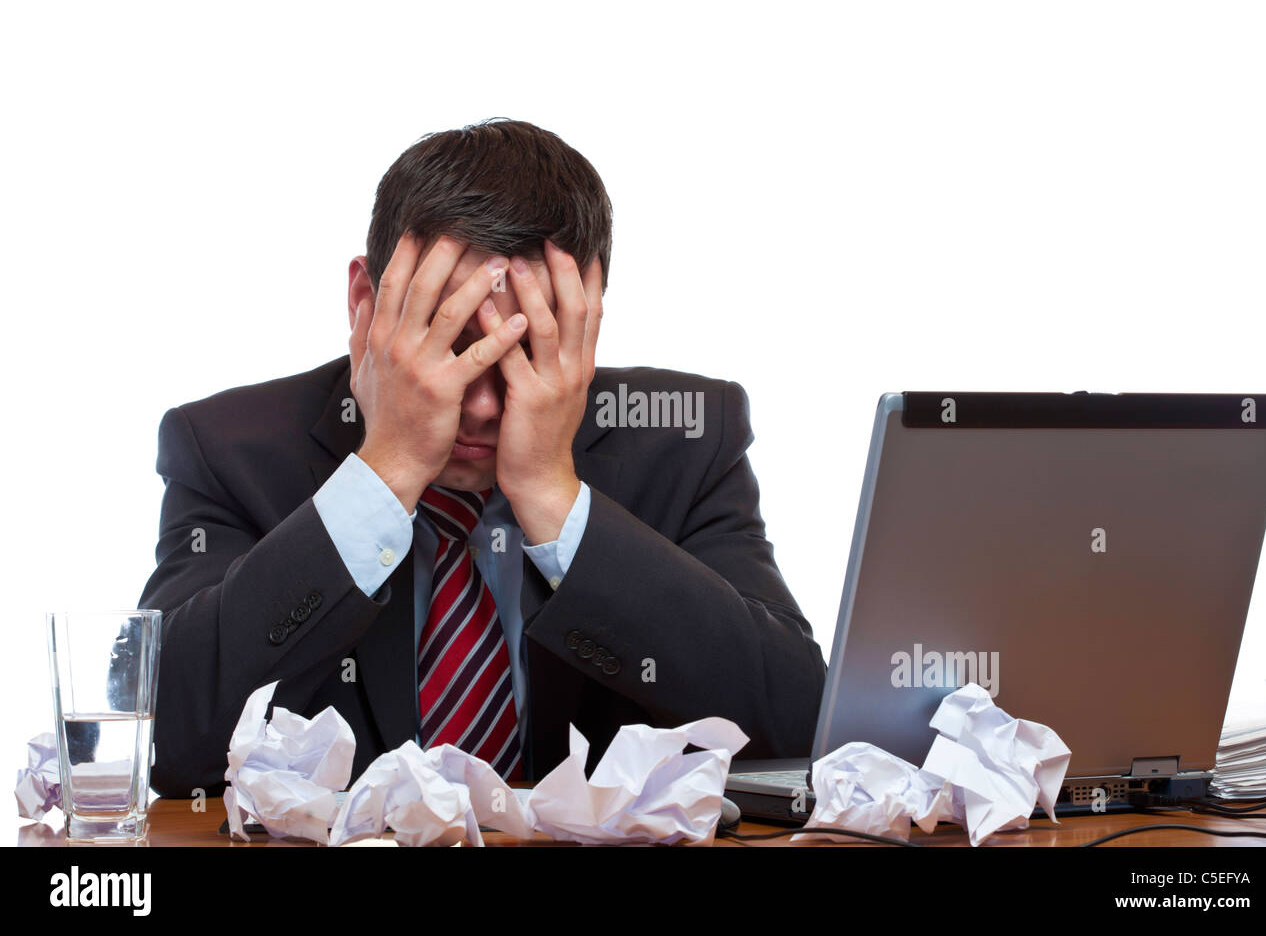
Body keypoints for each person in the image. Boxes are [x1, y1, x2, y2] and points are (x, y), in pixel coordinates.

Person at [138, 118, 826, 797]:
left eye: (528, 349)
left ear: (586, 323)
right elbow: (169, 738)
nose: (486, 405)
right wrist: (387, 474)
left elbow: (796, 725)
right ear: (364, 305)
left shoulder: (684, 443)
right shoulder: (229, 448)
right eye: (449, 339)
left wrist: (554, 498)